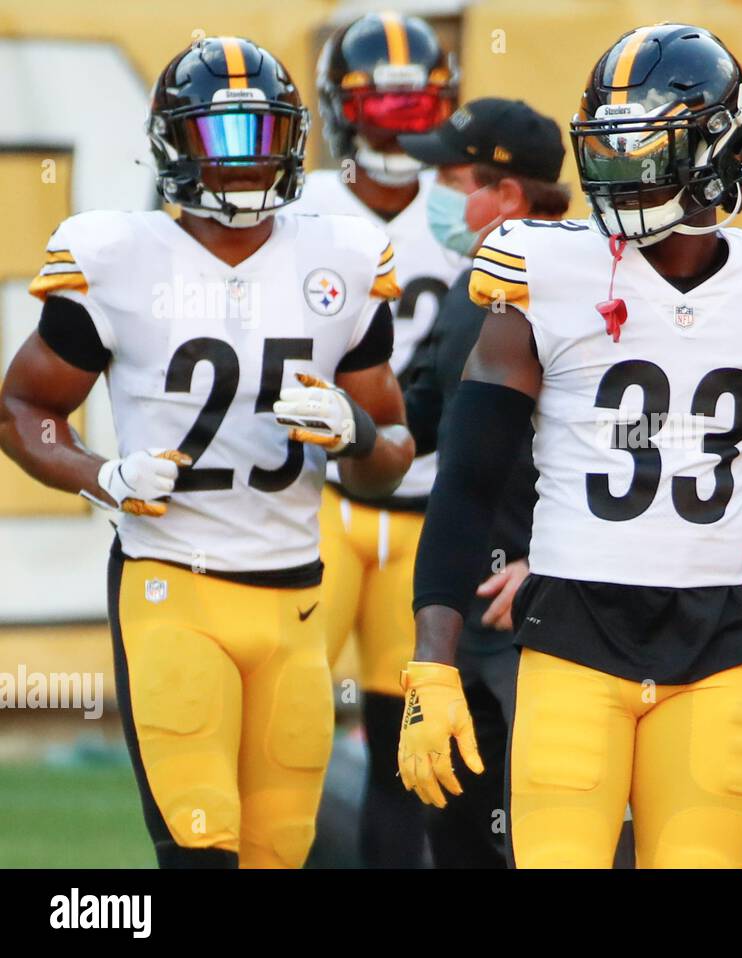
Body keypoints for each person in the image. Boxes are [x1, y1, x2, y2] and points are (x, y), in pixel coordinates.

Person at [400, 23, 742, 868]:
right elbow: (465, 484)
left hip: (718, 646)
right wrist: (432, 666)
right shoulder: (543, 271)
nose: (615, 174)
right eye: (605, 149)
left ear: (715, 150)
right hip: (573, 635)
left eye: (641, 149)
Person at [0, 37, 414, 868]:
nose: (242, 164)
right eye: (219, 140)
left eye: (260, 137)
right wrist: (100, 476)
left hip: (296, 599)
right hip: (172, 588)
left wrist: (354, 434)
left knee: (277, 856)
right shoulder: (117, 256)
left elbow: (393, 453)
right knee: (201, 856)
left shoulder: (340, 256)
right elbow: (22, 407)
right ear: (174, 145)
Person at [300, 10, 465, 869]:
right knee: (285, 719)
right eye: (383, 110)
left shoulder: (465, 215)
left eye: (418, 109)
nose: (402, 129)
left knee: (411, 758)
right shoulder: (301, 209)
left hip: (431, 511)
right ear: (342, 111)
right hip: (320, 498)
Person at [396, 97, 569, 867]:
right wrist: (347, 419)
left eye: (450, 175)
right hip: (467, 602)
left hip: (561, 608)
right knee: (457, 826)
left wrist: (559, 558)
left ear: (507, 194)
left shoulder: (580, 292)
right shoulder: (471, 289)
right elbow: (416, 424)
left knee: (567, 831)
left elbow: (638, 451)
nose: (434, 191)